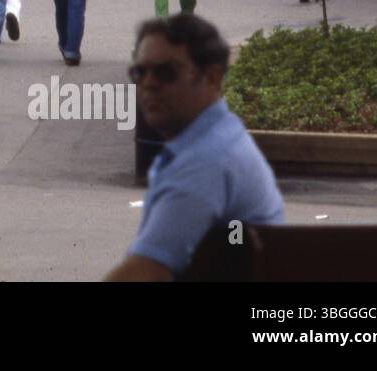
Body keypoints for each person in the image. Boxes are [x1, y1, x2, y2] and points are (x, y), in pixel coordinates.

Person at [105, 14, 283, 281]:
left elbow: (147, 271)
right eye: (139, 73)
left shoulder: (206, 160)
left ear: (212, 78)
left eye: (166, 72)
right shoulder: (220, 136)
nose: (148, 84)